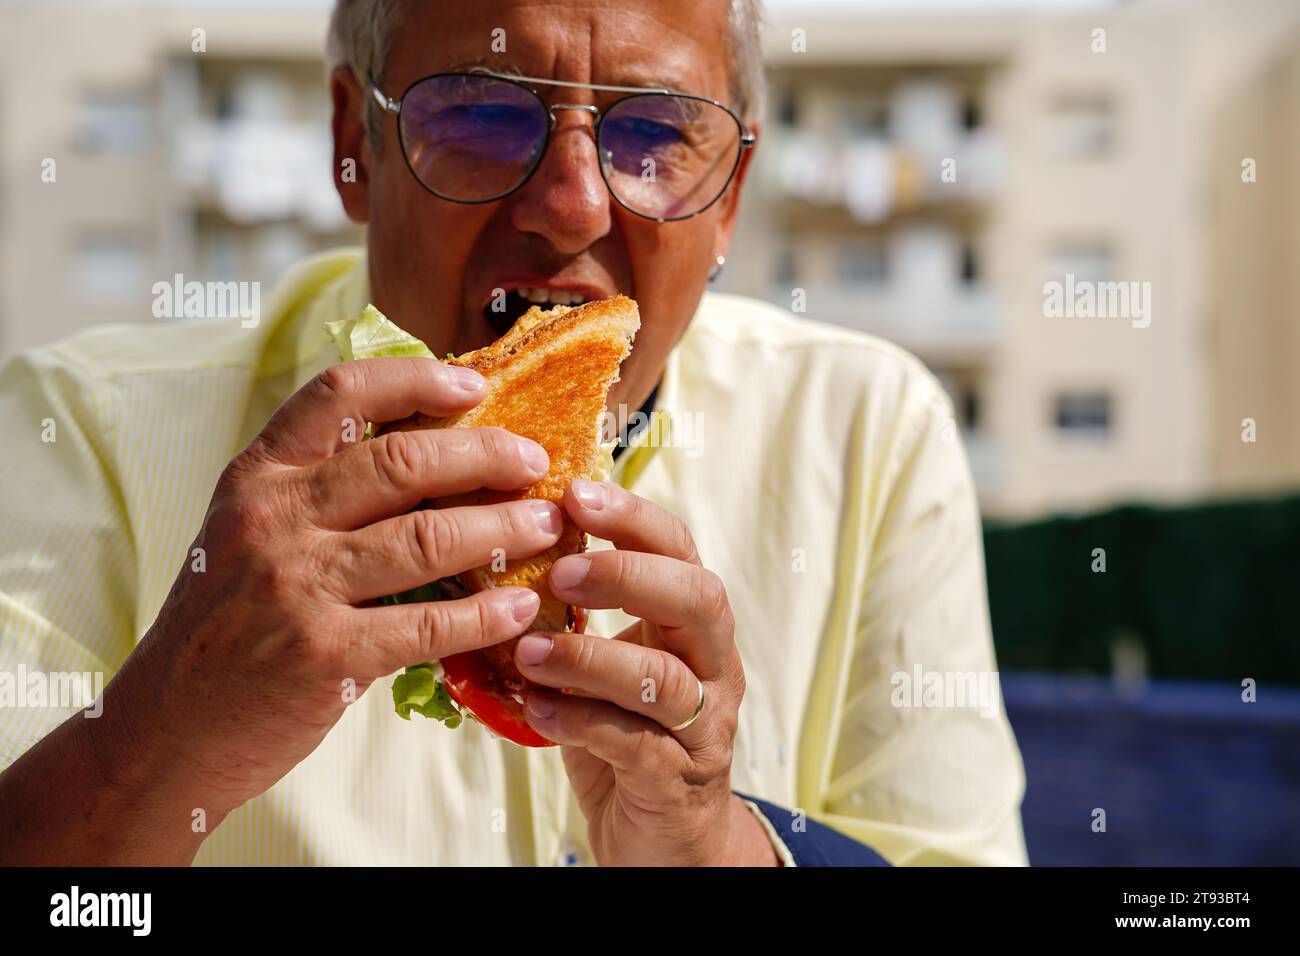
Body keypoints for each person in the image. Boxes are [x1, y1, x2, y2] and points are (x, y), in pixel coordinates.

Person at [0, 0, 1027, 866]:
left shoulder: (870, 430)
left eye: (656, 133)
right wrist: (163, 740)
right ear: (353, 147)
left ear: (730, 202)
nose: (572, 206)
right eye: (484, 115)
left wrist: (717, 843)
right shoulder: (86, 425)